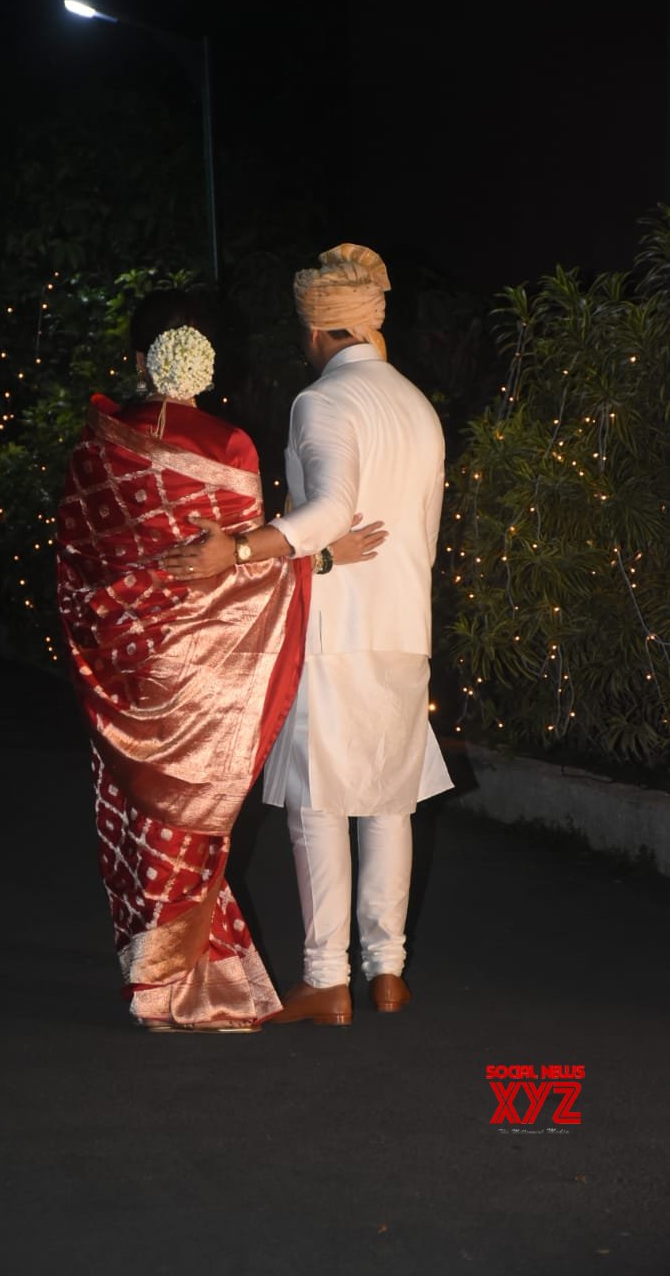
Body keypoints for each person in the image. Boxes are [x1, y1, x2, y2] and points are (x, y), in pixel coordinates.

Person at [56, 288, 385, 1033]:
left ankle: (152, 971)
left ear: (140, 360)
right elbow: (242, 567)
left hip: (123, 665)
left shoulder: (98, 445)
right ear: (206, 364)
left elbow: (78, 566)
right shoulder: (230, 446)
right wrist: (322, 556)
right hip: (199, 676)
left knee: (136, 816)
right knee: (189, 828)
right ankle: (174, 980)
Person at [163, 245, 453, 1027]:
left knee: (319, 805)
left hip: (335, 628)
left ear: (321, 331)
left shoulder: (322, 401)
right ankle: (386, 971)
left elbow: (330, 510)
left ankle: (326, 980)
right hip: (402, 629)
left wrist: (241, 546)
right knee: (388, 804)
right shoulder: (415, 406)